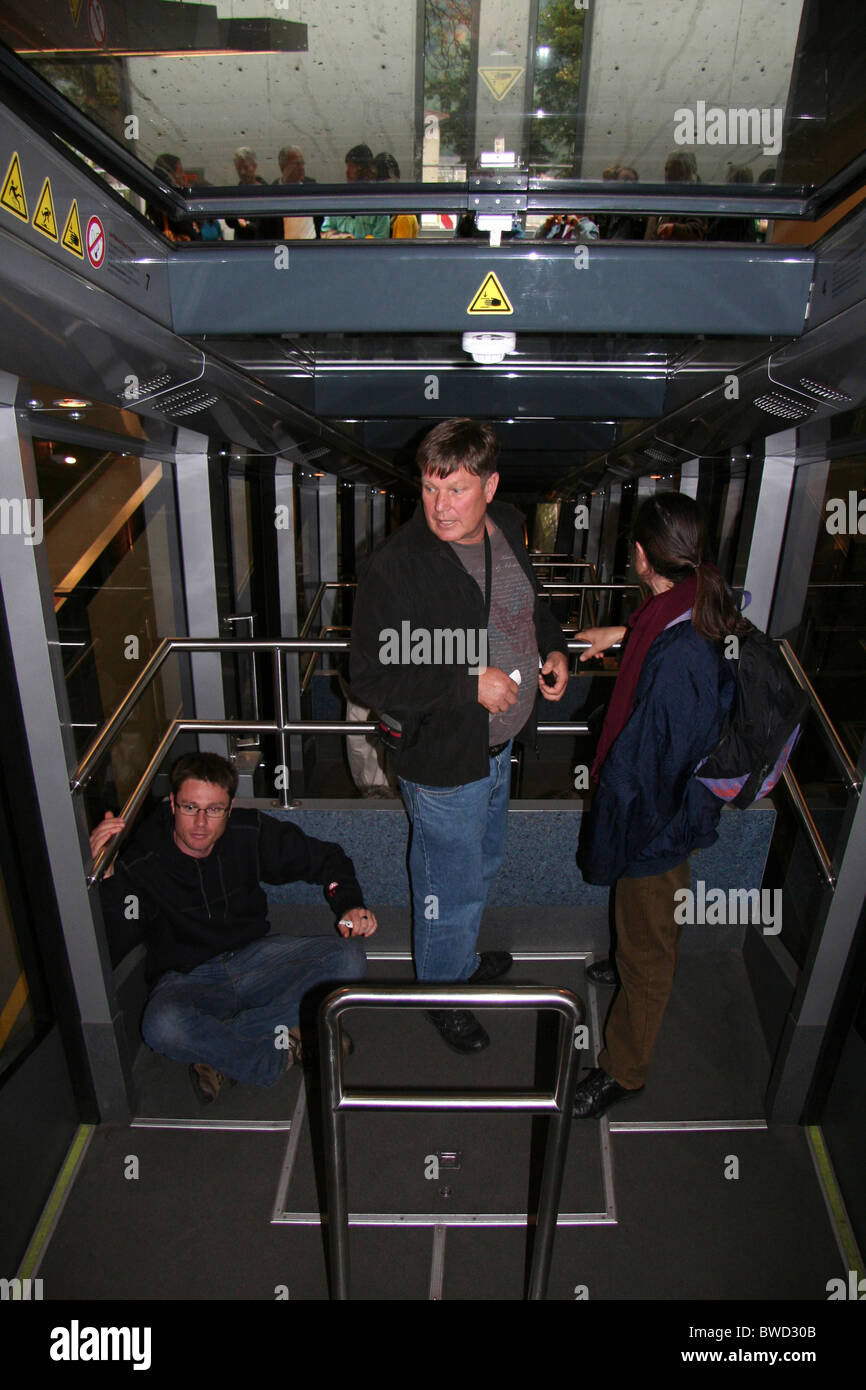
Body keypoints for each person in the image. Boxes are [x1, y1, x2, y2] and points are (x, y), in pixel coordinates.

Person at [350, 418, 569, 1053]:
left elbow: (531, 607)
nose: (441, 507)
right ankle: (440, 993)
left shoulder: (507, 528)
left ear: (491, 486)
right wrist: (465, 686)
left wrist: (554, 650)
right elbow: (367, 674)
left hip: (499, 751)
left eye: (457, 491)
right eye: (429, 489)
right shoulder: (398, 566)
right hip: (445, 762)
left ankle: (461, 961)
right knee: (450, 884)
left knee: (483, 867)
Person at [573, 493, 747, 1117]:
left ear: (644, 556)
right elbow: (667, 642)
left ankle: (625, 1070)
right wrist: (621, 635)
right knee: (639, 924)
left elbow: (648, 767)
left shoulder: (680, 656)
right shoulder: (690, 603)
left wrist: (613, 833)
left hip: (658, 821)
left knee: (650, 947)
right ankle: (626, 965)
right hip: (666, 809)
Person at [90, 752, 374, 1103]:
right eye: (190, 808)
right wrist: (109, 879)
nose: (200, 824)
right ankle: (278, 1051)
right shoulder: (145, 857)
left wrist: (347, 903)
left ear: (229, 807)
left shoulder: (246, 831)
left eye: (214, 810)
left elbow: (326, 859)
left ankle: (222, 1049)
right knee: (161, 1025)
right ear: (172, 805)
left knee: (350, 960)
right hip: (188, 979)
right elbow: (115, 942)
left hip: (257, 960)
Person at [321, 144, 390, 240]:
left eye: (351, 167)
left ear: (365, 170)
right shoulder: (337, 201)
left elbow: (381, 239)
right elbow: (324, 233)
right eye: (347, 167)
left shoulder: (379, 205)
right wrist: (342, 237)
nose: (347, 172)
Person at [276, 145, 318, 240]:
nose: (301, 167)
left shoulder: (312, 187)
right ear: (283, 166)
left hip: (311, 247)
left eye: (302, 163)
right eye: (297, 164)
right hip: (284, 250)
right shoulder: (272, 193)